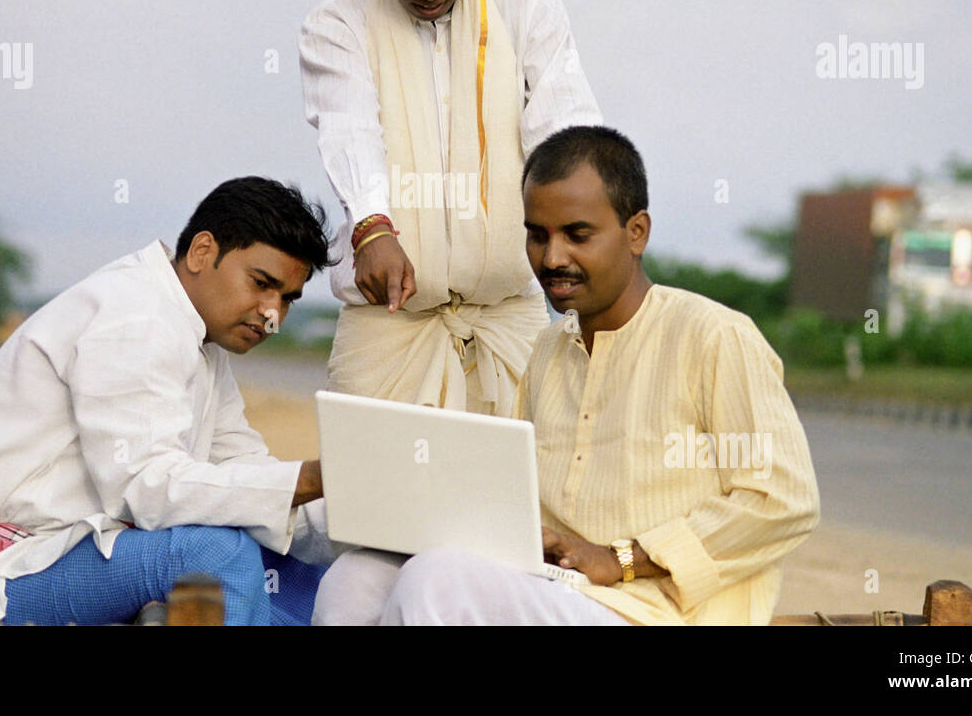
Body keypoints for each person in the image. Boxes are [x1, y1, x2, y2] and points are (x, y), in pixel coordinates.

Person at [314, 127, 820, 625]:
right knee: (358, 577)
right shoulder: (548, 349)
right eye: (538, 235)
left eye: (578, 235)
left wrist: (623, 558)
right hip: (556, 589)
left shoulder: (714, 336)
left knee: (437, 581)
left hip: (656, 610)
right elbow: (516, 506)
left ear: (636, 231)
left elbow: (783, 500)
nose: (552, 258)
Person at [0, 177, 337, 626]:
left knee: (315, 572)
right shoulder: (135, 317)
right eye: (261, 283)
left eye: (287, 299)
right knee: (219, 553)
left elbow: (242, 468)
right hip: (10, 568)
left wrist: (360, 508)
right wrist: (314, 477)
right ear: (202, 251)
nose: (273, 315)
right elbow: (147, 490)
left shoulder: (200, 340)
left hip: (89, 552)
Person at [299, 0, 602, 416]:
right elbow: (350, 128)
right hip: (387, 327)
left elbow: (567, 141)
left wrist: (583, 244)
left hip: (513, 318)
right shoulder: (336, 25)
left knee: (527, 498)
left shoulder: (529, 6)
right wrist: (372, 229)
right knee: (374, 497)